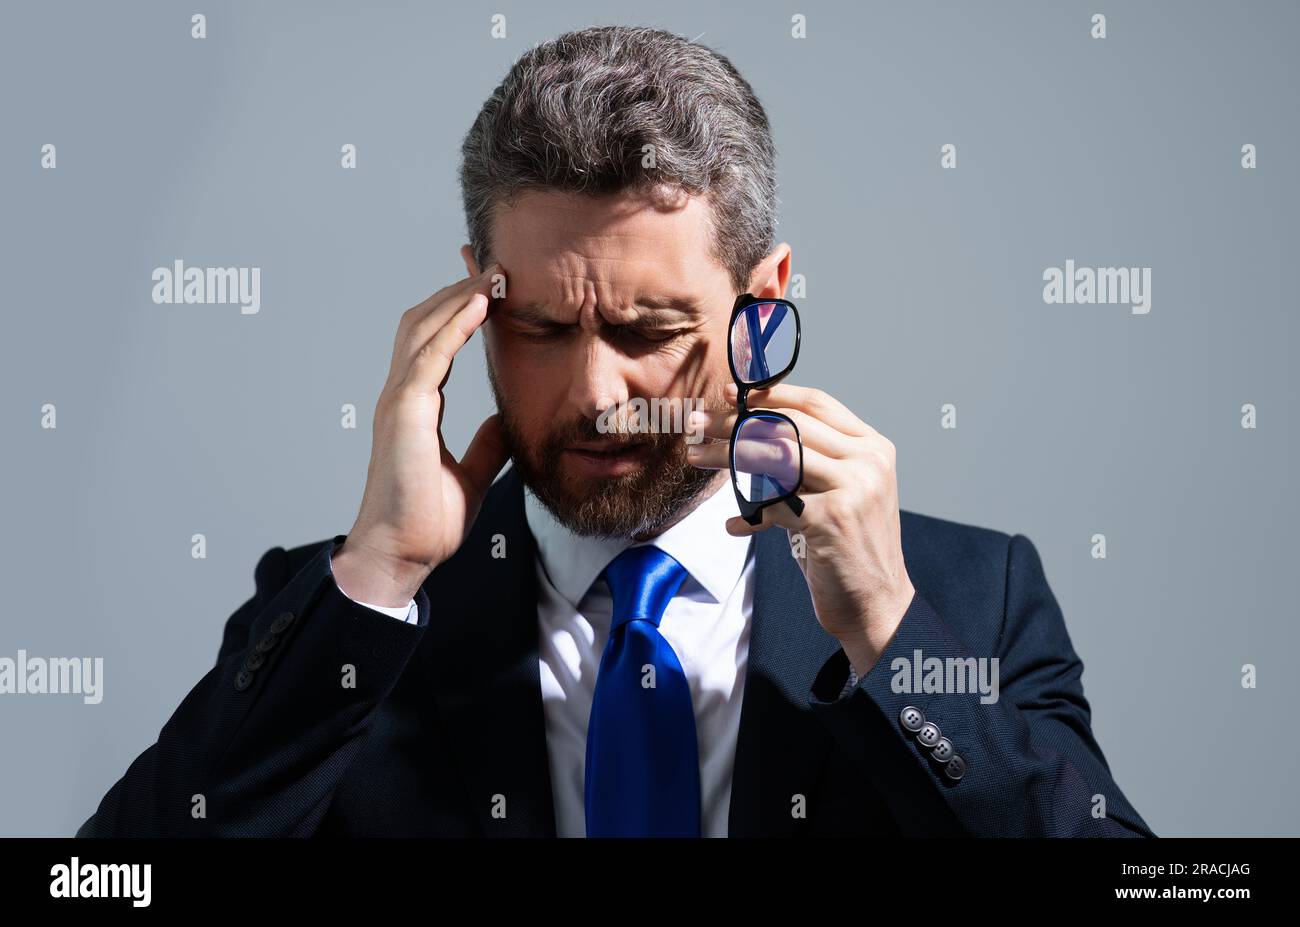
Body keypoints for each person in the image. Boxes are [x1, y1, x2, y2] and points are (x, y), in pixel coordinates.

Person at [76, 24, 1152, 838]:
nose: (595, 391)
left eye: (649, 329)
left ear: (764, 300)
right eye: (539, 327)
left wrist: (886, 634)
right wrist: (381, 571)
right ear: (470, 306)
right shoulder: (349, 617)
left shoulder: (969, 598)